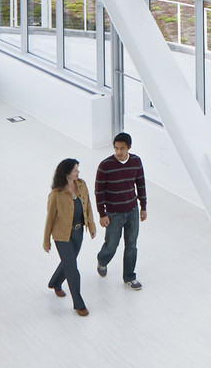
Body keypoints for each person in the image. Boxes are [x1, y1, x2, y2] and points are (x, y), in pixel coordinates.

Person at [94, 132, 149, 290]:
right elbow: (99, 192)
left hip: (132, 211)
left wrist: (143, 206)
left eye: (122, 148)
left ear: (129, 148)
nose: (118, 152)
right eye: (116, 148)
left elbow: (141, 184)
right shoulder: (105, 165)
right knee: (112, 244)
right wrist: (102, 214)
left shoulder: (136, 161)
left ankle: (129, 277)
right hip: (113, 213)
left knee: (131, 245)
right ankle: (102, 260)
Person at [42, 157, 96, 316]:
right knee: (72, 269)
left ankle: (55, 282)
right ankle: (79, 304)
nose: (78, 172)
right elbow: (49, 219)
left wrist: (91, 225)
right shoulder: (56, 194)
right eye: (75, 170)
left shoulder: (81, 185)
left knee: (68, 261)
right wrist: (46, 240)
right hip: (62, 235)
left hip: (78, 233)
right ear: (66, 173)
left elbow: (88, 206)